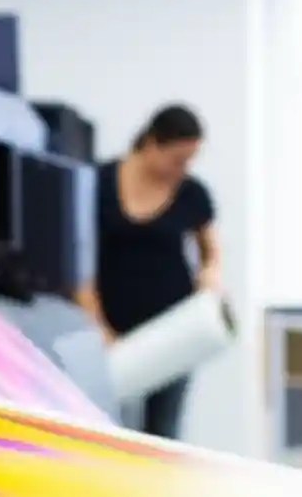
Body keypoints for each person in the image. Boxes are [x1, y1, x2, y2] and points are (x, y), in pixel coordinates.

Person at [76, 105, 223, 439]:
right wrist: (98, 326)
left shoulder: (192, 193)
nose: (183, 169)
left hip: (176, 332)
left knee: (164, 432)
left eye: (190, 161)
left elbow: (212, 250)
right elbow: (79, 259)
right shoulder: (97, 183)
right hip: (112, 332)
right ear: (152, 143)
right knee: (112, 429)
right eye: (177, 159)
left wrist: (211, 274)